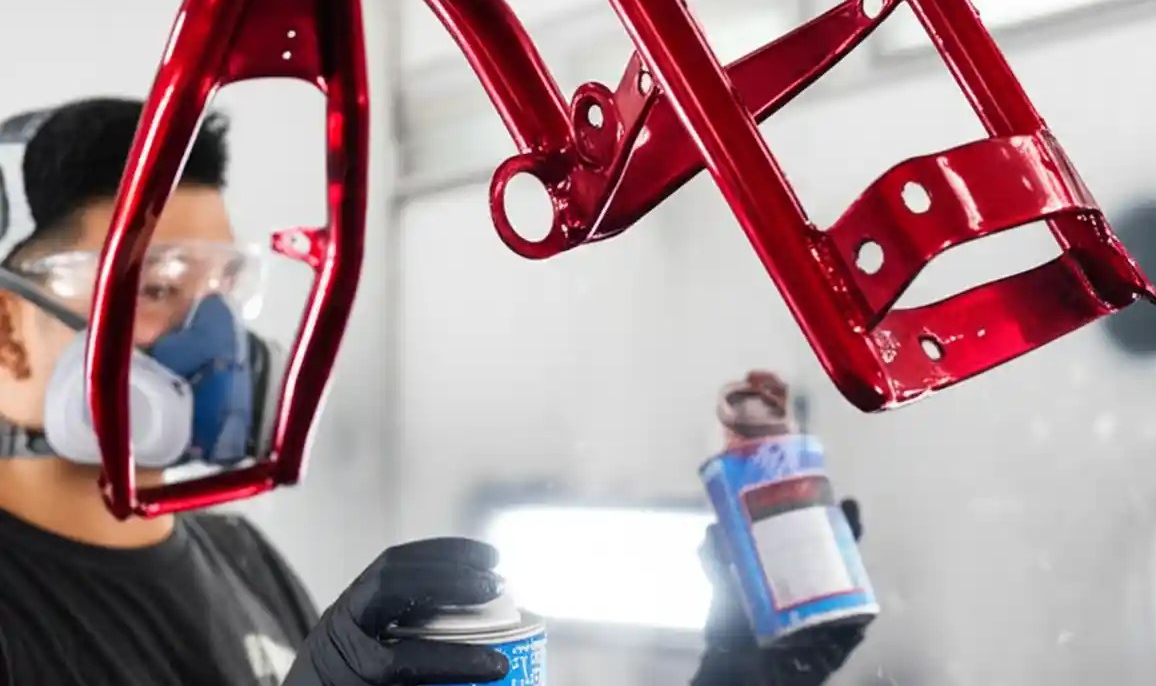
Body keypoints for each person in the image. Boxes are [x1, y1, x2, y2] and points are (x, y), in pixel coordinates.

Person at [0, 97, 866, 686]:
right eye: (155, 289)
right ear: (9, 332)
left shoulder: (237, 557)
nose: (214, 339)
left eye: (224, 289)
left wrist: (735, 675)